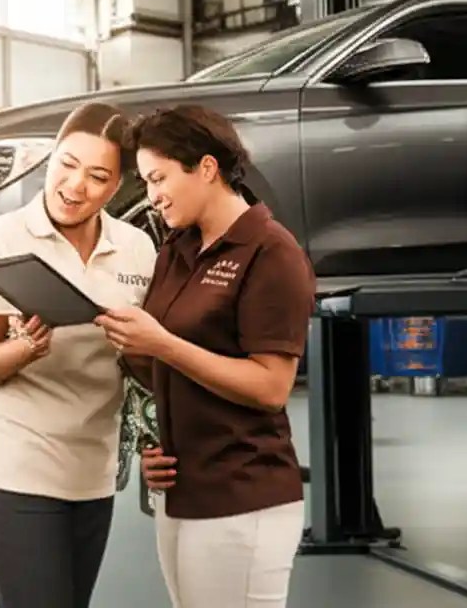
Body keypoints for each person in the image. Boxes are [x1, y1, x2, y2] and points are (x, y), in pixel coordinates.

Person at [95, 105, 315, 608]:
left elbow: (270, 387)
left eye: (159, 178)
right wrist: (155, 442)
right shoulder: (177, 249)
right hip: (181, 491)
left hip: (242, 494)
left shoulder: (271, 252)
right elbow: (164, 366)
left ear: (208, 168)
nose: (152, 195)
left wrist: (162, 344)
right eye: (147, 182)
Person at [0, 102, 158, 608]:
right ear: (51, 157)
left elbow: (146, 364)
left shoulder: (137, 248)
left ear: (117, 186)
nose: (75, 185)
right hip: (13, 468)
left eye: (97, 176)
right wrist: (24, 348)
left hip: (92, 473)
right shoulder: (0, 238)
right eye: (67, 164)